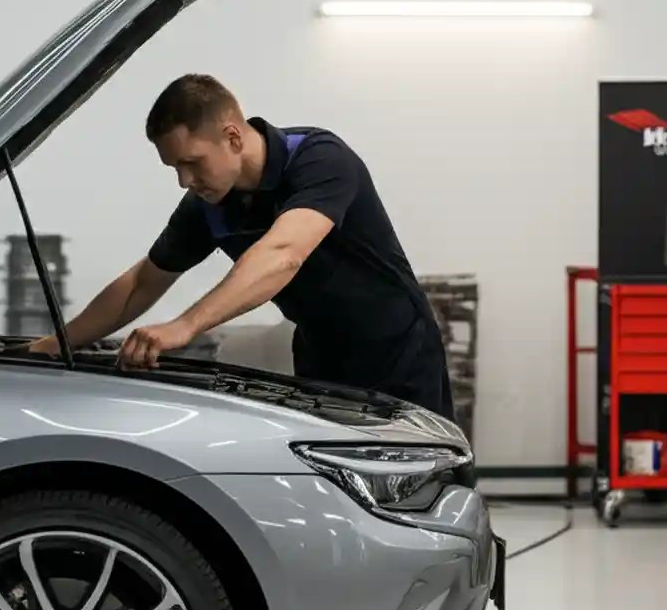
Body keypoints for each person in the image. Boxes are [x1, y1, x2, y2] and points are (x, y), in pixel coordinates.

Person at [27, 74, 453, 418]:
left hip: (398, 351)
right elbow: (143, 282)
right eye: (174, 167)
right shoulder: (207, 205)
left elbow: (283, 254)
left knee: (418, 493)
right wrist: (54, 345)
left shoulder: (319, 159)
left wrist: (186, 324)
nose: (184, 181)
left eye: (191, 162)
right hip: (320, 355)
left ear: (232, 137)